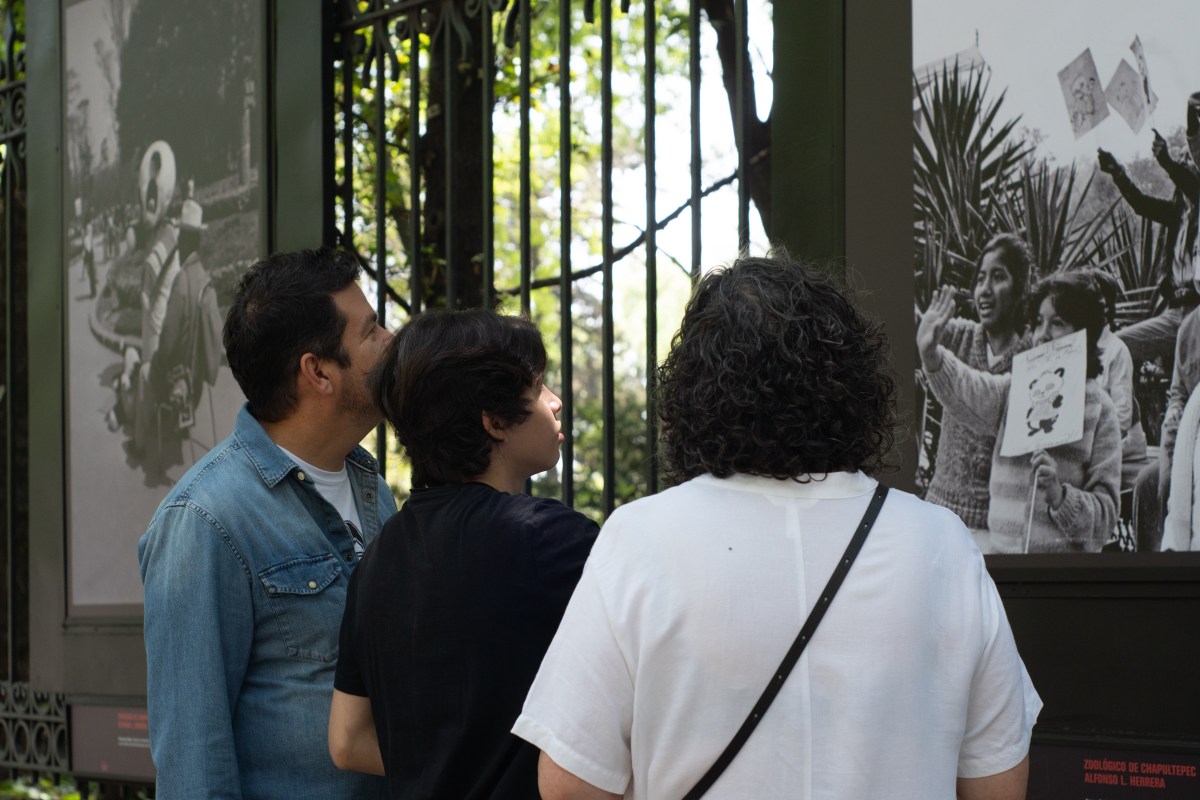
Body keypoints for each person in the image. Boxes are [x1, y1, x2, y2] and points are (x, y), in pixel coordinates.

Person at [515, 254, 1041, 800]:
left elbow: (570, 783)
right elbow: (997, 780)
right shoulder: (941, 543)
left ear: (695, 389)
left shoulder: (639, 539)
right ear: (851, 383)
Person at [138, 248, 394, 799]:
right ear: (318, 371)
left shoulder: (373, 487)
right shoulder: (205, 521)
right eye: (372, 331)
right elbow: (193, 769)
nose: (391, 342)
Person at [329, 309, 599, 799]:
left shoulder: (376, 560)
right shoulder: (550, 540)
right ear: (495, 421)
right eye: (537, 388)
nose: (555, 403)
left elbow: (347, 741)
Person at [920, 272, 1122, 553]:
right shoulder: (1014, 391)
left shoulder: (1101, 410)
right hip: (999, 569)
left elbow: (1106, 518)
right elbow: (970, 389)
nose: (1042, 335)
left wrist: (1060, 497)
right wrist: (932, 355)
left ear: (1084, 332)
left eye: (1058, 323)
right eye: (1039, 323)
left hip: (1058, 583)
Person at [923, 234, 1031, 535]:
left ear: (1021, 287)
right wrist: (925, 334)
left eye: (998, 277)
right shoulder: (956, 336)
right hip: (941, 514)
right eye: (981, 278)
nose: (984, 290)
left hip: (999, 527)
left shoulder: (1034, 356)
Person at [1097, 96, 1200, 365]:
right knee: (1117, 348)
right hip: (1173, 312)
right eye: (1181, 160)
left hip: (1197, 311)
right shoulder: (1176, 214)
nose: (1184, 163)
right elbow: (1141, 205)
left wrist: (1166, 160)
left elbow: (1191, 183)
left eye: (1187, 161)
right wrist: (1117, 172)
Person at [1132, 307, 1200, 550]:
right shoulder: (1190, 328)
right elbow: (1178, 394)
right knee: (1149, 483)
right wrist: (1175, 418)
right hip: (1190, 444)